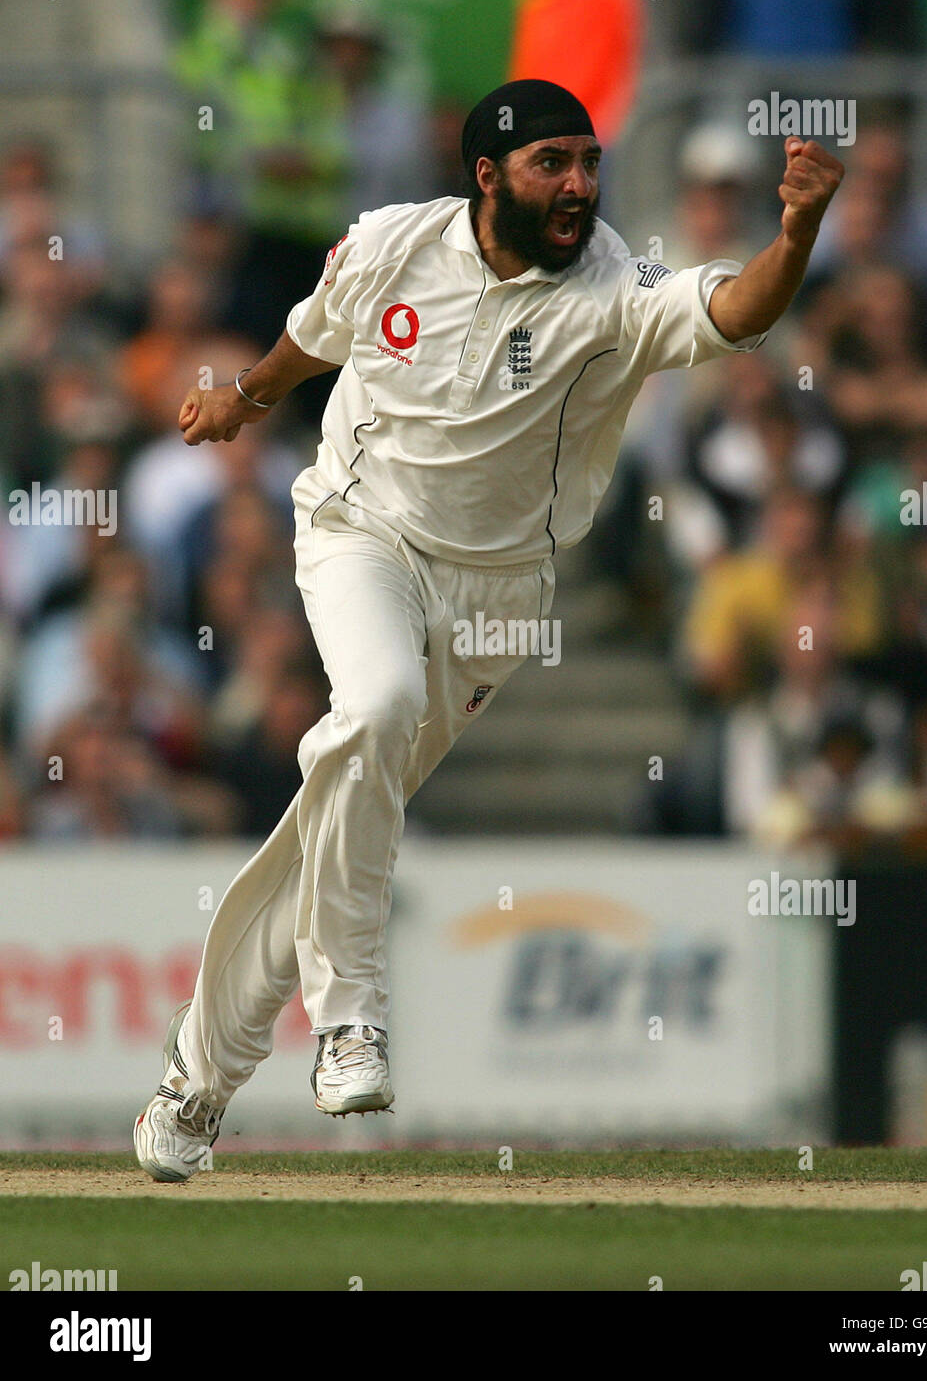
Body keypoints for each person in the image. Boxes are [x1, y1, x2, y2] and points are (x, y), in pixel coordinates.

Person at [133, 78, 843, 1182]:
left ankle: (195, 1084)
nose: (578, 187)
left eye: (589, 163)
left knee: (335, 804)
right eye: (551, 164)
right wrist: (245, 398)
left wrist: (793, 236)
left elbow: (738, 310)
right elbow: (309, 338)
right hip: (359, 531)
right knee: (374, 707)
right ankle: (352, 1016)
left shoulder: (615, 283)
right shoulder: (388, 244)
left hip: (498, 594)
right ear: (486, 174)